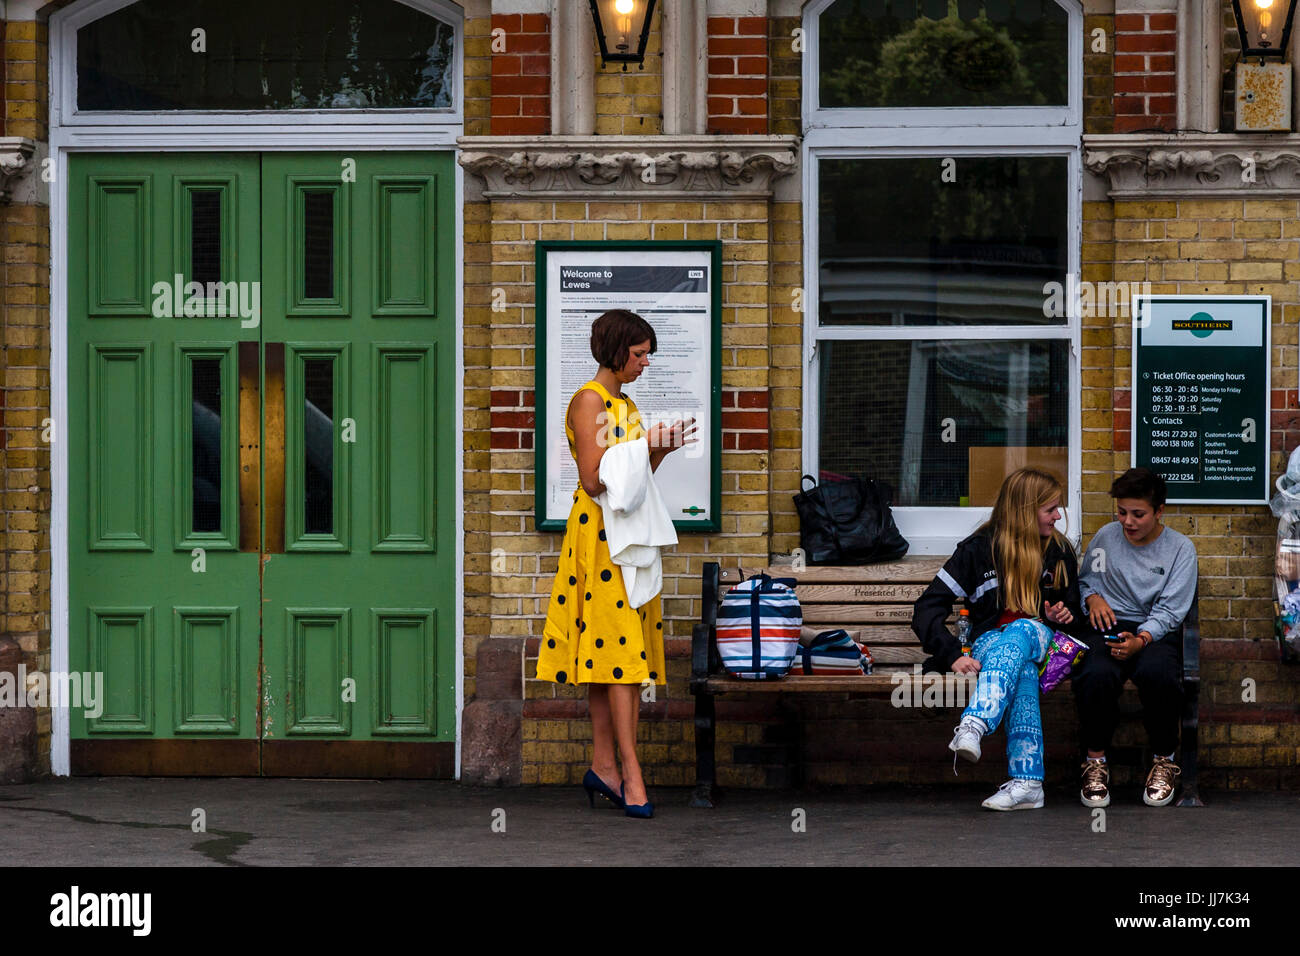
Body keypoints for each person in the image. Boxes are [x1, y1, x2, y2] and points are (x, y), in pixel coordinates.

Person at [535, 309, 697, 819]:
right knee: (621, 658)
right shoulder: (590, 400)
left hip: (624, 533)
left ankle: (603, 766)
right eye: (639, 354)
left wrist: (660, 450)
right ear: (615, 349)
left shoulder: (626, 404)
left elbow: (635, 476)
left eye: (648, 355)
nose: (645, 363)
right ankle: (631, 772)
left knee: (610, 659)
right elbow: (592, 479)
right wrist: (644, 445)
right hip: (599, 539)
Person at [912, 468, 1081, 811]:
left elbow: (1074, 612)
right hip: (990, 644)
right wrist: (951, 655)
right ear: (1024, 509)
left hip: (1042, 641)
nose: (1058, 516)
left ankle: (974, 723)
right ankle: (1028, 783)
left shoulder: (1058, 551)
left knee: (1020, 630)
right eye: (1050, 509)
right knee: (1019, 670)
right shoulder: (978, 551)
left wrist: (1060, 615)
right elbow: (927, 608)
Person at [1073, 468, 1197, 809]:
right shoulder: (1105, 538)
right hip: (1107, 625)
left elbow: (1172, 610)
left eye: (1138, 514)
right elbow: (1086, 581)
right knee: (1095, 673)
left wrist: (1141, 640)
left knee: (1160, 675)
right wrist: (1092, 597)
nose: (1128, 522)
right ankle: (1094, 762)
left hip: (1154, 629)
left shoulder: (1180, 549)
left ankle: (1164, 760)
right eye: (1122, 512)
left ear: (1159, 511)